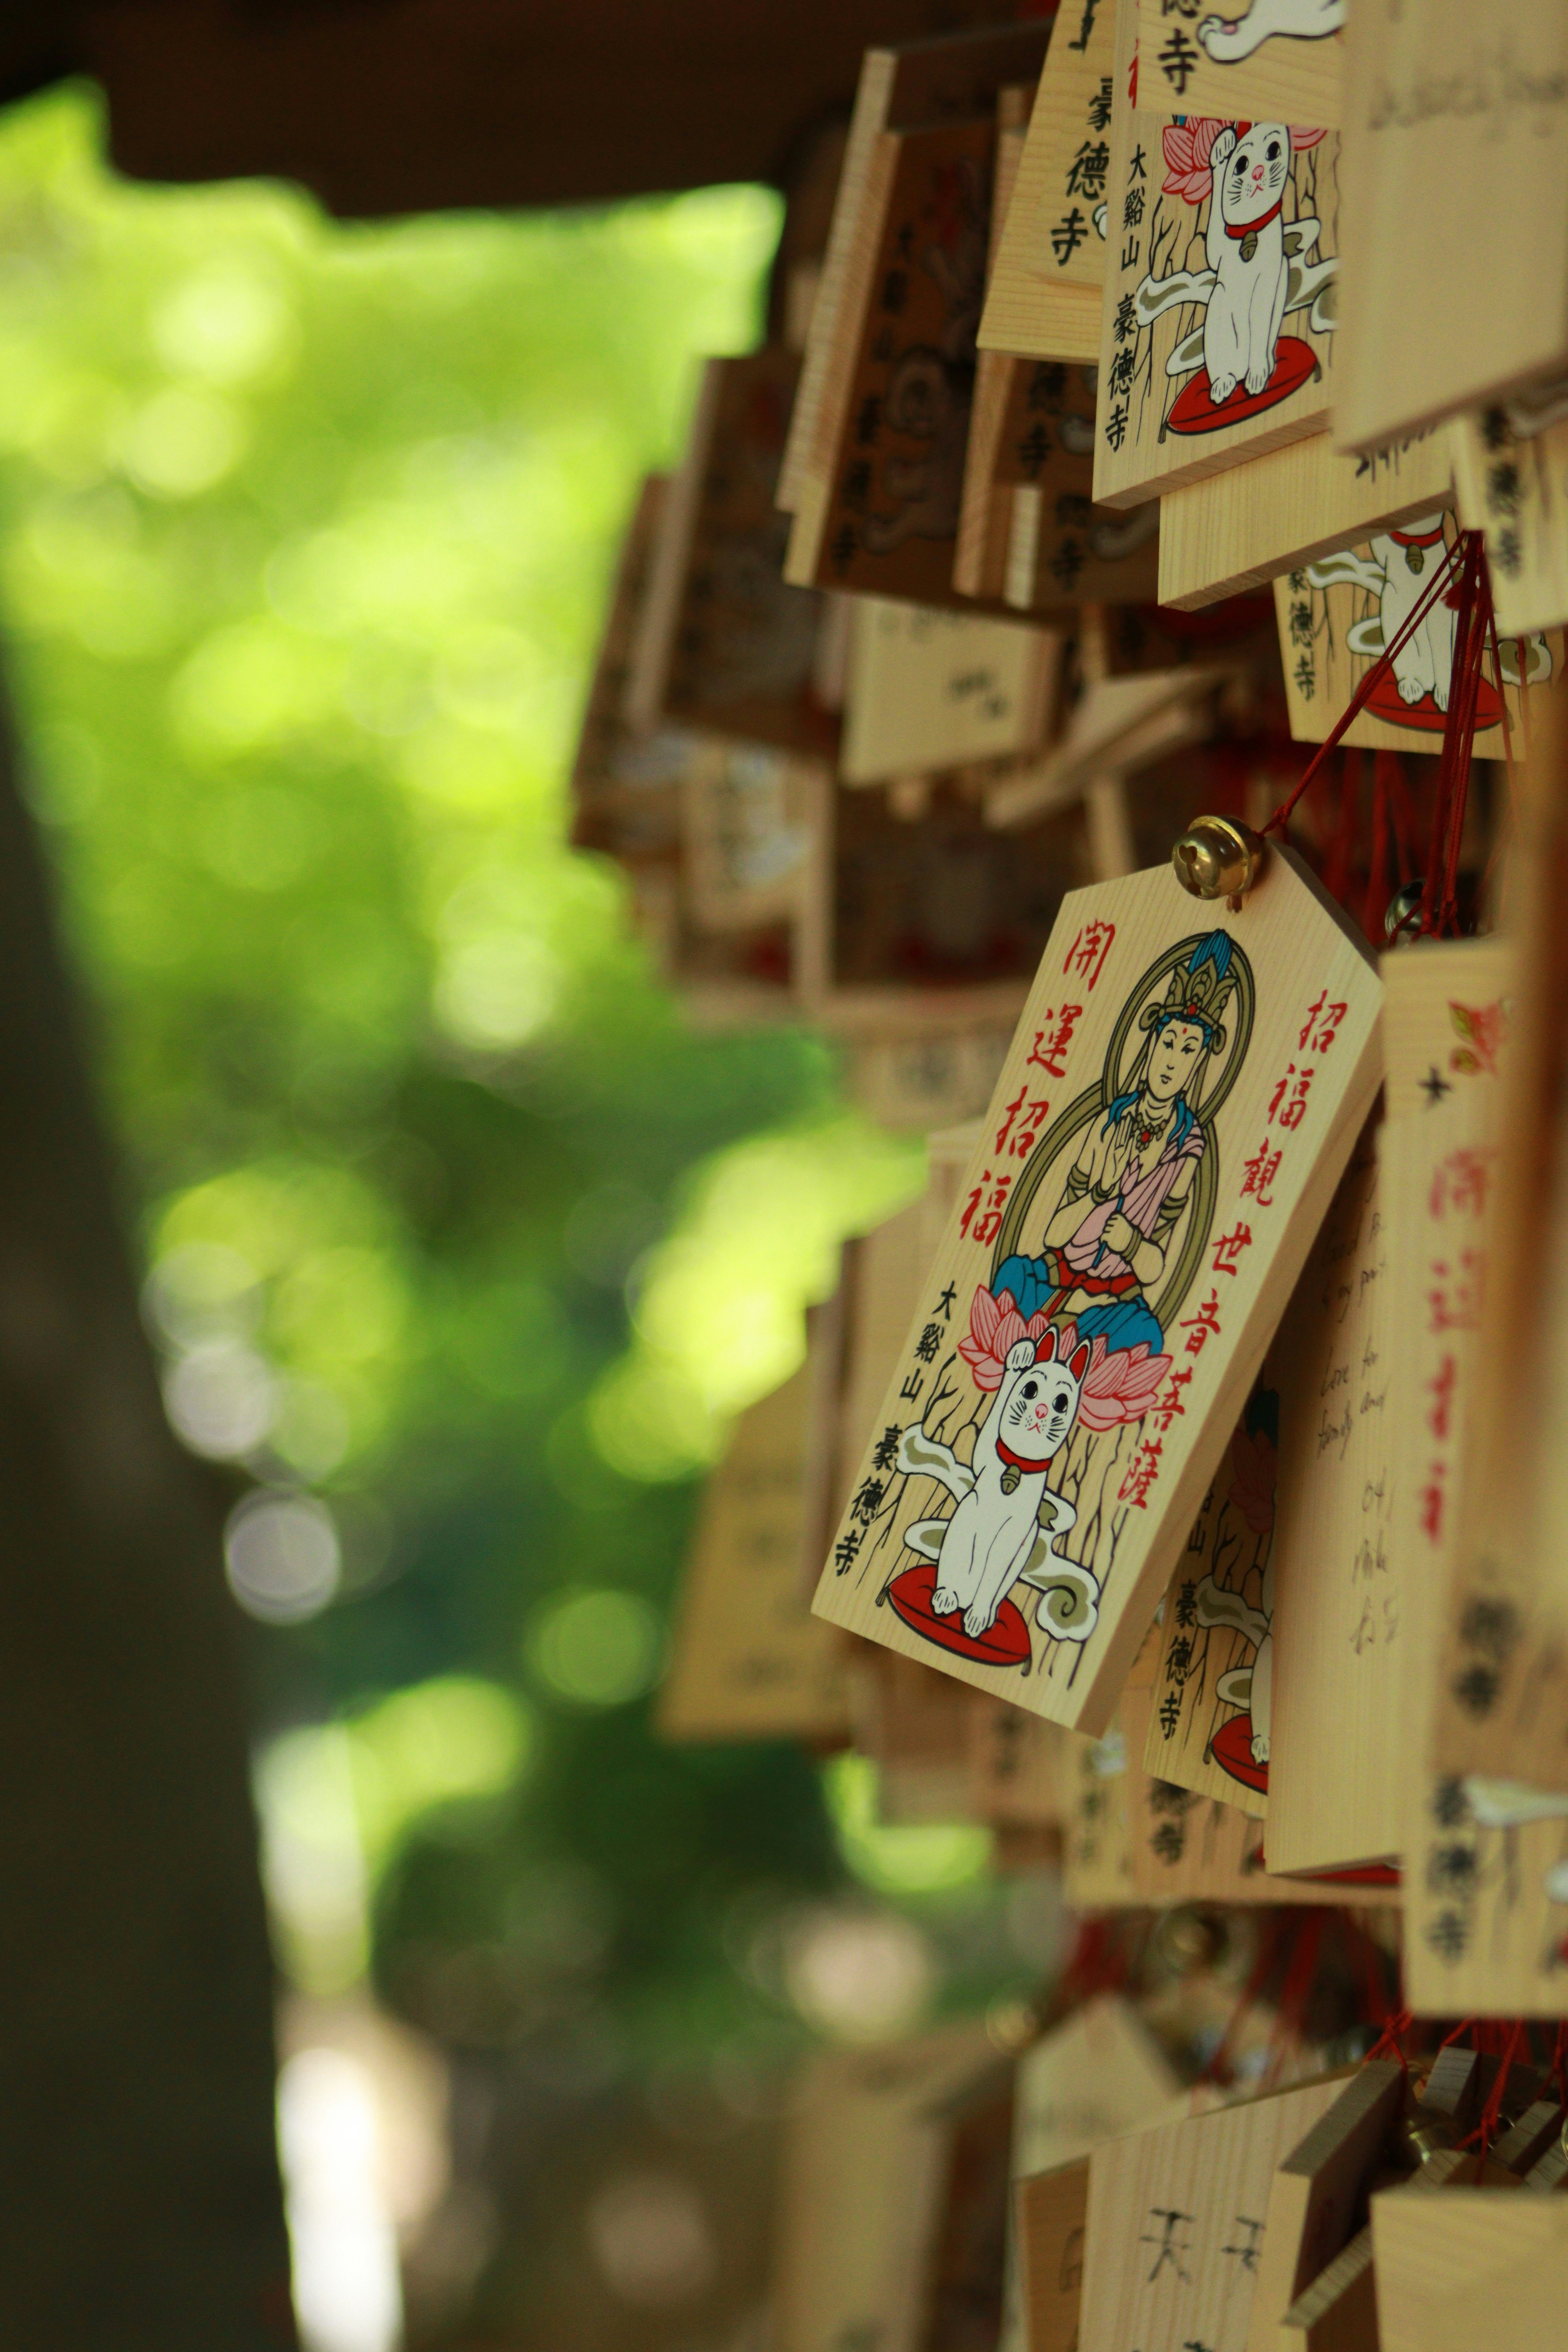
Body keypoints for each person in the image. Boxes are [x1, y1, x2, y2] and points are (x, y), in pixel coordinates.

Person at [994, 931, 1240, 1355]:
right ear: (1151, 1044)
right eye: (1167, 1043)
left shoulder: (1186, 1148)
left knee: (1145, 1336)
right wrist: (1099, 1194)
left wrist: (1131, 1242)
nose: (1171, 1061)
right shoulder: (1107, 1123)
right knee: (1012, 1278)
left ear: (1200, 1061)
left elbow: (1154, 1266)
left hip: (1116, 1290)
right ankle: (1066, 1335)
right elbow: (1055, 1234)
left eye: (1187, 1050)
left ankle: (1067, 1335)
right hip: (1062, 1272)